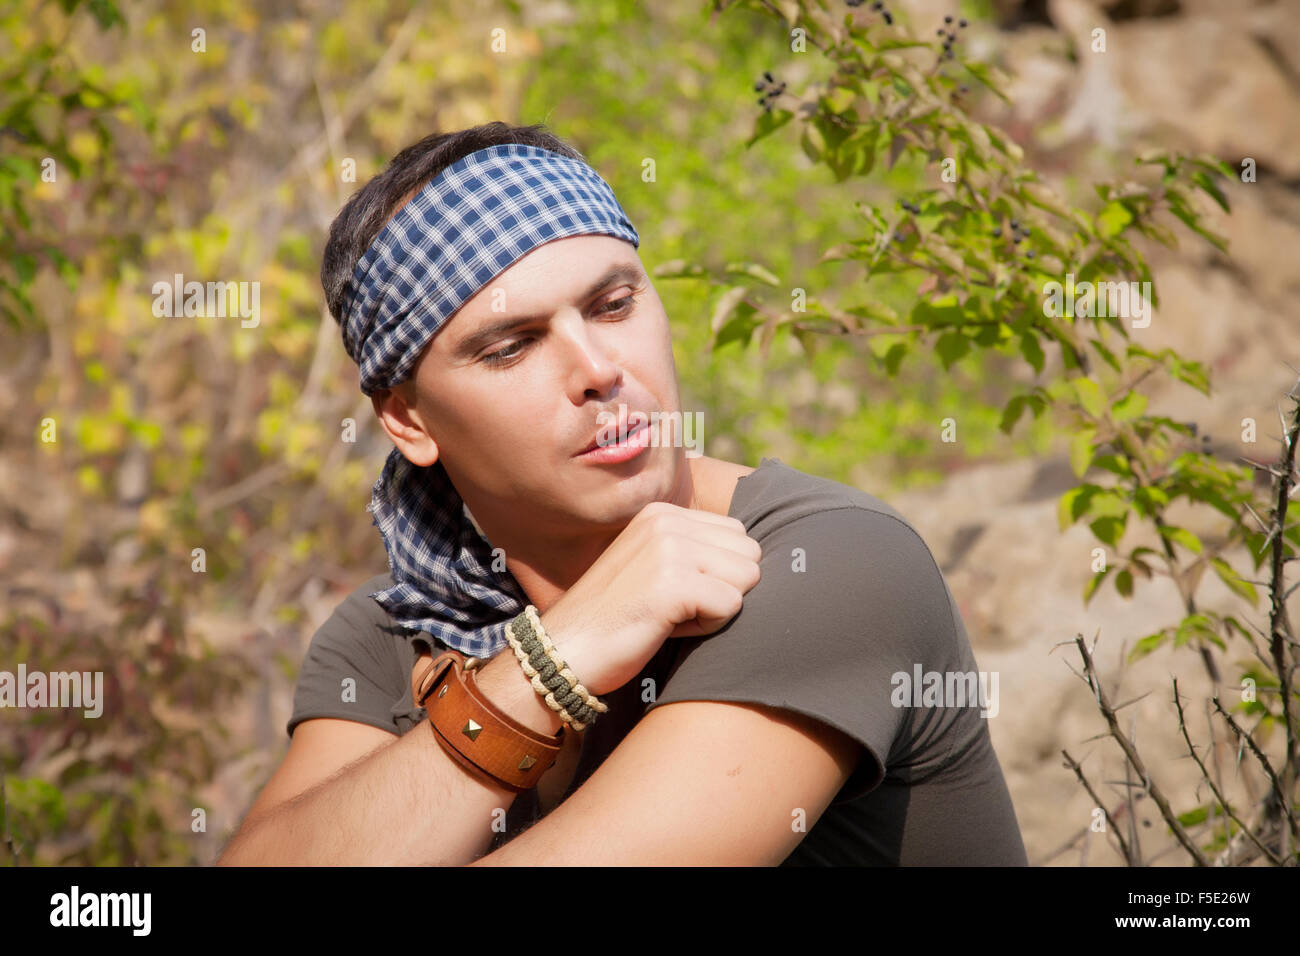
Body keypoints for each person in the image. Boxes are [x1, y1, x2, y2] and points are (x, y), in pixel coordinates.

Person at [216, 121, 1027, 866]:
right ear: (409, 419)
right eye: (510, 346)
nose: (599, 368)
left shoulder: (827, 565)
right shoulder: (393, 635)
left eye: (613, 304)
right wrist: (553, 659)